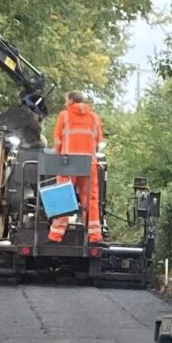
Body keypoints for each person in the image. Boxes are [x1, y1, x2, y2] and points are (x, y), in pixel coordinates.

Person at [49, 90, 103, 244]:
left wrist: (59, 156)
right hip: (89, 164)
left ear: (71, 100)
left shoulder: (64, 116)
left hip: (68, 162)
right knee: (91, 199)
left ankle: (56, 235)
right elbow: (98, 141)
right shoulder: (94, 117)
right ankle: (94, 236)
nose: (65, 103)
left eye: (66, 100)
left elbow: (58, 141)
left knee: (63, 195)